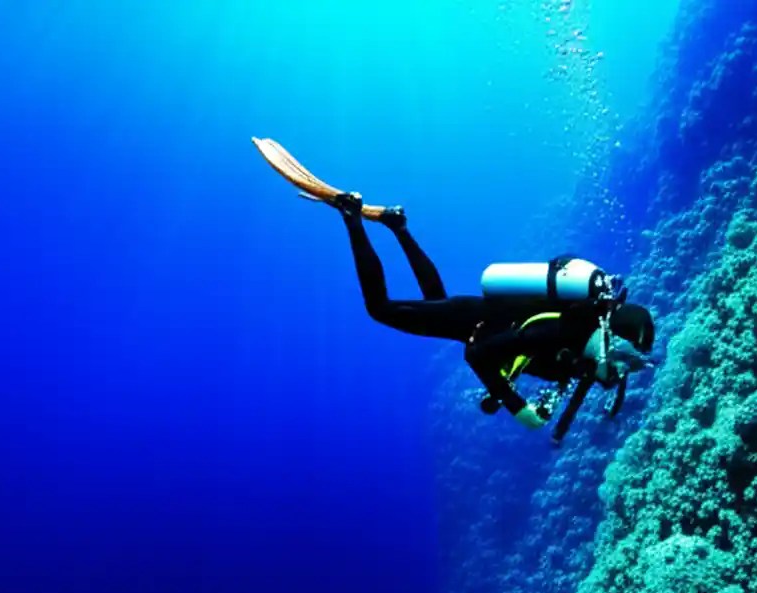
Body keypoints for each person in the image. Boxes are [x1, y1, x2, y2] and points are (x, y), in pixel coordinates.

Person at [251, 137, 656, 444]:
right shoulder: (567, 332)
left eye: (630, 365)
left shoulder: (587, 353)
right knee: (380, 309)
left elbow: (543, 367)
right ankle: (352, 216)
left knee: (435, 302)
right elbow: (477, 354)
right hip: (478, 325)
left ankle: (398, 227)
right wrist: (517, 408)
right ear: (609, 335)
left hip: (479, 319)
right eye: (624, 359)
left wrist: (531, 400)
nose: (622, 370)